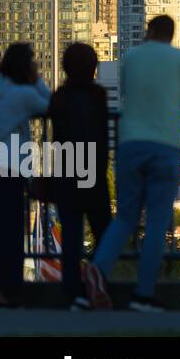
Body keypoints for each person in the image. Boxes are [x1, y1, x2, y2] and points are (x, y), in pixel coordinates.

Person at [86, 16, 180, 311]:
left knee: (125, 218)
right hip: (164, 146)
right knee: (155, 224)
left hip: (129, 145)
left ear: (149, 31)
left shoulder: (131, 58)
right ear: (171, 34)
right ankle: (143, 295)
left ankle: (97, 269)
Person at [47, 43, 113, 311]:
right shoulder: (98, 95)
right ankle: (96, 280)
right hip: (93, 170)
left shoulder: (59, 97)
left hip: (66, 170)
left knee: (71, 237)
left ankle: (74, 293)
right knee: (105, 232)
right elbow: (103, 133)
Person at [0, 43, 51, 307]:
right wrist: (37, 78)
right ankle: (8, 290)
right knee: (12, 232)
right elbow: (50, 105)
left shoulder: (0, 89)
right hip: (8, 169)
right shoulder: (22, 94)